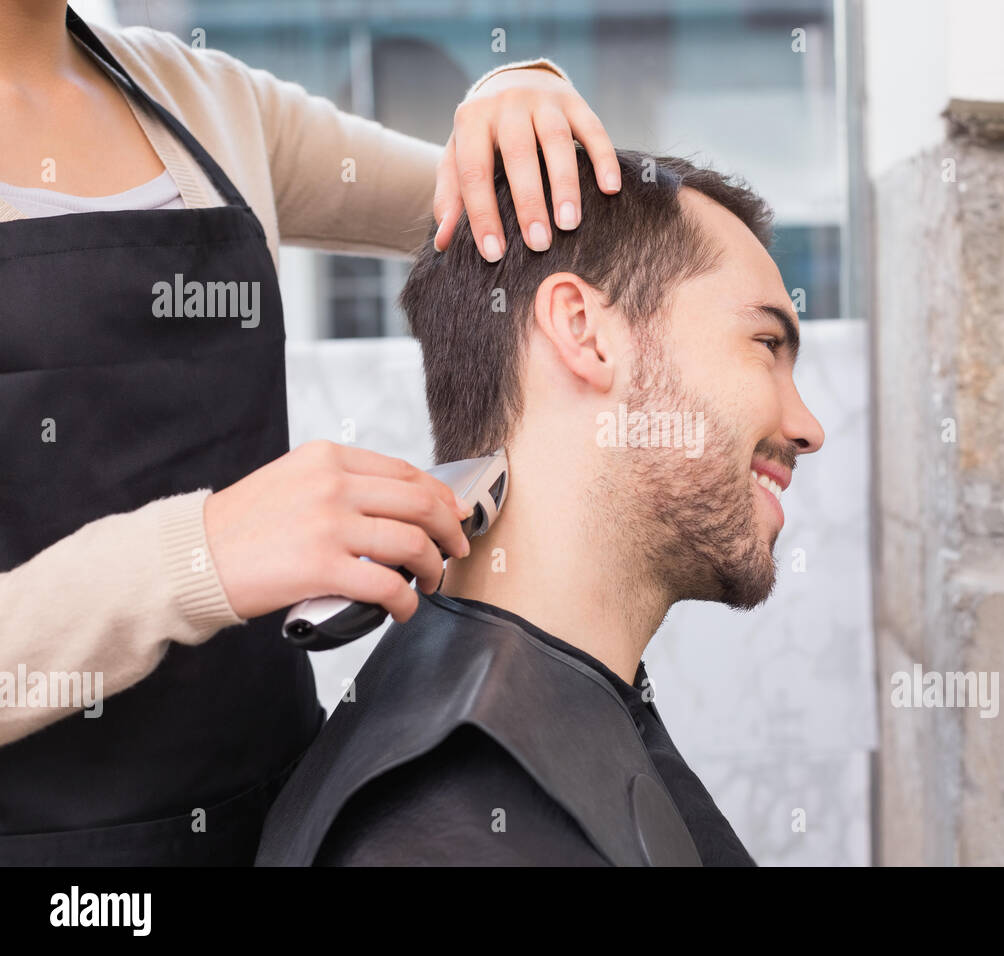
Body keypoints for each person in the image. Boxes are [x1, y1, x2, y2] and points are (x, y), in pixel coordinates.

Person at [0, 2, 621, 865]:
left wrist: (515, 94)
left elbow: (506, 212)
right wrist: (199, 554)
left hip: (280, 818)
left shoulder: (206, 100)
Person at [255, 147, 826, 866]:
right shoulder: (452, 834)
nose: (808, 426)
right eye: (766, 342)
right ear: (584, 331)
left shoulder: (529, 707)